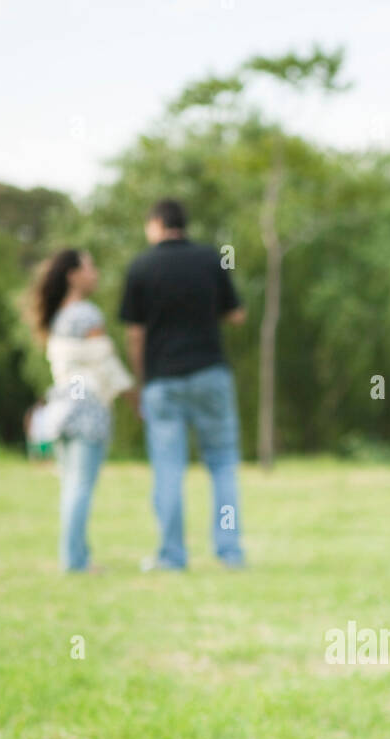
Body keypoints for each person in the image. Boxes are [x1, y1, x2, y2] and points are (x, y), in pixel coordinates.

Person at [119, 198, 247, 570]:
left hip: (163, 380)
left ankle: (172, 555)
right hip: (210, 372)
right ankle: (229, 552)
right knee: (222, 465)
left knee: (168, 468)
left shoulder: (141, 267)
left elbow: (135, 335)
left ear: (156, 224)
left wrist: (142, 383)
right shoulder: (212, 259)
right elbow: (236, 314)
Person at [33, 249, 134, 572]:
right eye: (90, 267)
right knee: (81, 488)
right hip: (87, 409)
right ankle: (75, 560)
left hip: (60, 411)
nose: (96, 273)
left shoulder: (58, 318)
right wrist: (134, 396)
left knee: (71, 487)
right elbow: (106, 364)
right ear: (72, 275)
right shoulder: (85, 315)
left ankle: (76, 555)